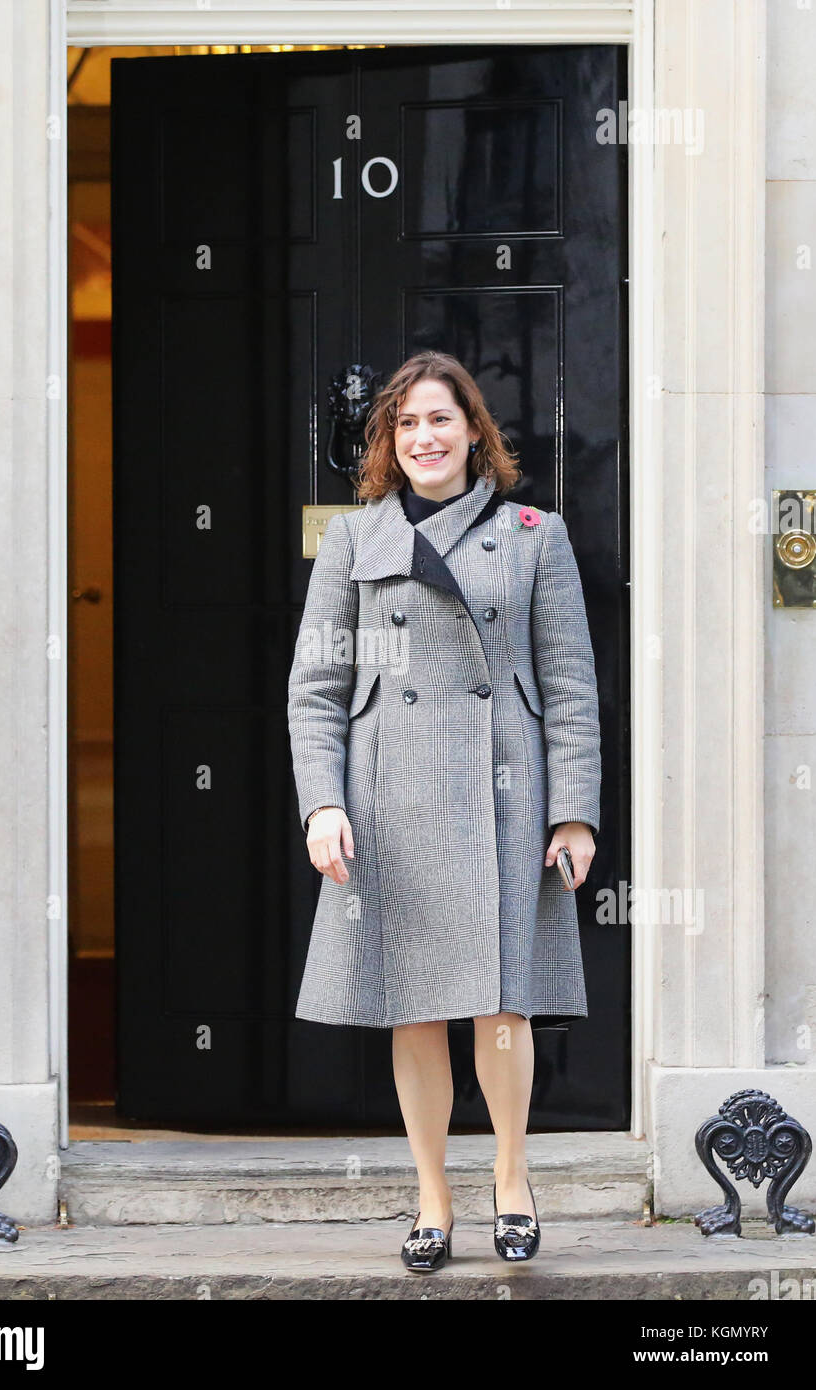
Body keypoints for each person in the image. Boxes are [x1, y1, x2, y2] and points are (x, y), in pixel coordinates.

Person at [287, 350, 601, 1272]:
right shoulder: (354, 540)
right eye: (406, 423)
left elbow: (571, 687)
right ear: (390, 439)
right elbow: (317, 688)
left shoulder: (537, 535)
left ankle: (510, 1174)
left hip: (505, 790)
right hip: (389, 795)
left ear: (474, 433)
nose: (423, 437)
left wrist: (573, 812)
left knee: (502, 1003)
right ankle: (430, 1196)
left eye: (440, 419)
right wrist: (322, 803)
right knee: (412, 1008)